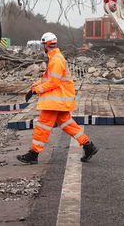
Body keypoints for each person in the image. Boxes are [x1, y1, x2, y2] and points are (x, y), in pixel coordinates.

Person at [16, 32, 98, 164]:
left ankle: (33, 154)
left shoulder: (55, 60)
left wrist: (36, 90)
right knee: (67, 124)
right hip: (59, 100)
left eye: (43, 44)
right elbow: (47, 78)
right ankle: (89, 146)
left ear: (45, 45)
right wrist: (34, 86)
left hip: (56, 100)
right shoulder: (55, 58)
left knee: (42, 126)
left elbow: (54, 82)